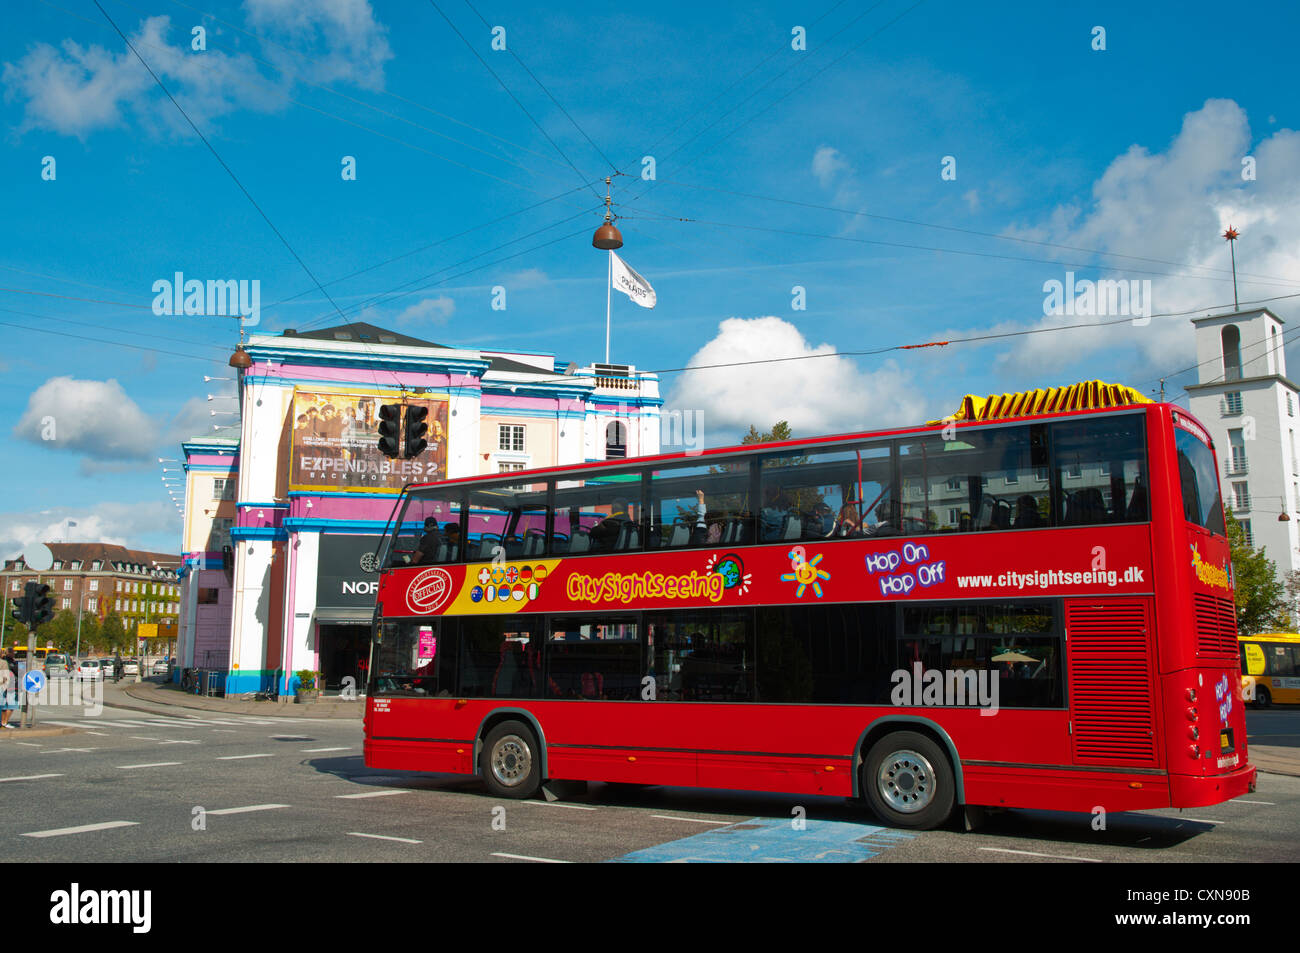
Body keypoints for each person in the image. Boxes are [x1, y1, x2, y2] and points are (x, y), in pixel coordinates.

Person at [0, 650, 17, 728]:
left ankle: (3, 722)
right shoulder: (4, 662)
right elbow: (5, 677)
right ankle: (3, 723)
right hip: (3, 686)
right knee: (4, 706)